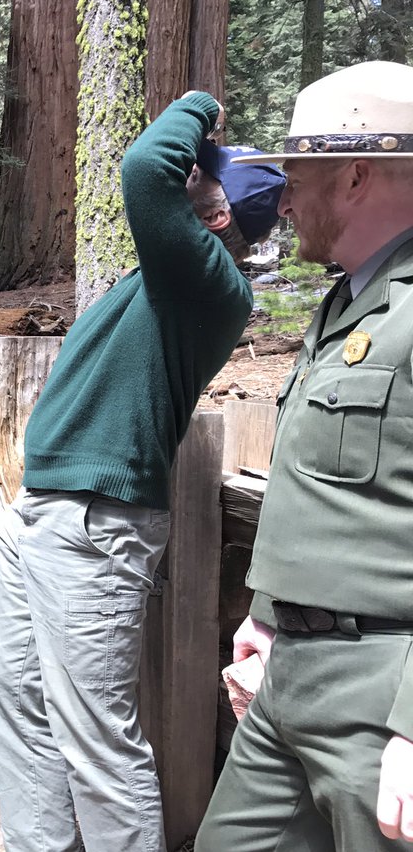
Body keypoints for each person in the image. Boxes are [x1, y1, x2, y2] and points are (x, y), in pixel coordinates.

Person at [0, 91, 286, 852]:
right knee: (16, 698)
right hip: (45, 511)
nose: (187, 178)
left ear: (217, 217)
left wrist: (202, 105)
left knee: (95, 741)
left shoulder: (207, 278)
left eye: (203, 177)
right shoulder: (164, 274)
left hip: (94, 525)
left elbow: (146, 166)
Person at [196, 60, 413, 851]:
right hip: (290, 667)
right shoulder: (348, 302)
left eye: (298, 174)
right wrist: (266, 615)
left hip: (383, 694)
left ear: (354, 174)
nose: (284, 199)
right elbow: (331, 490)